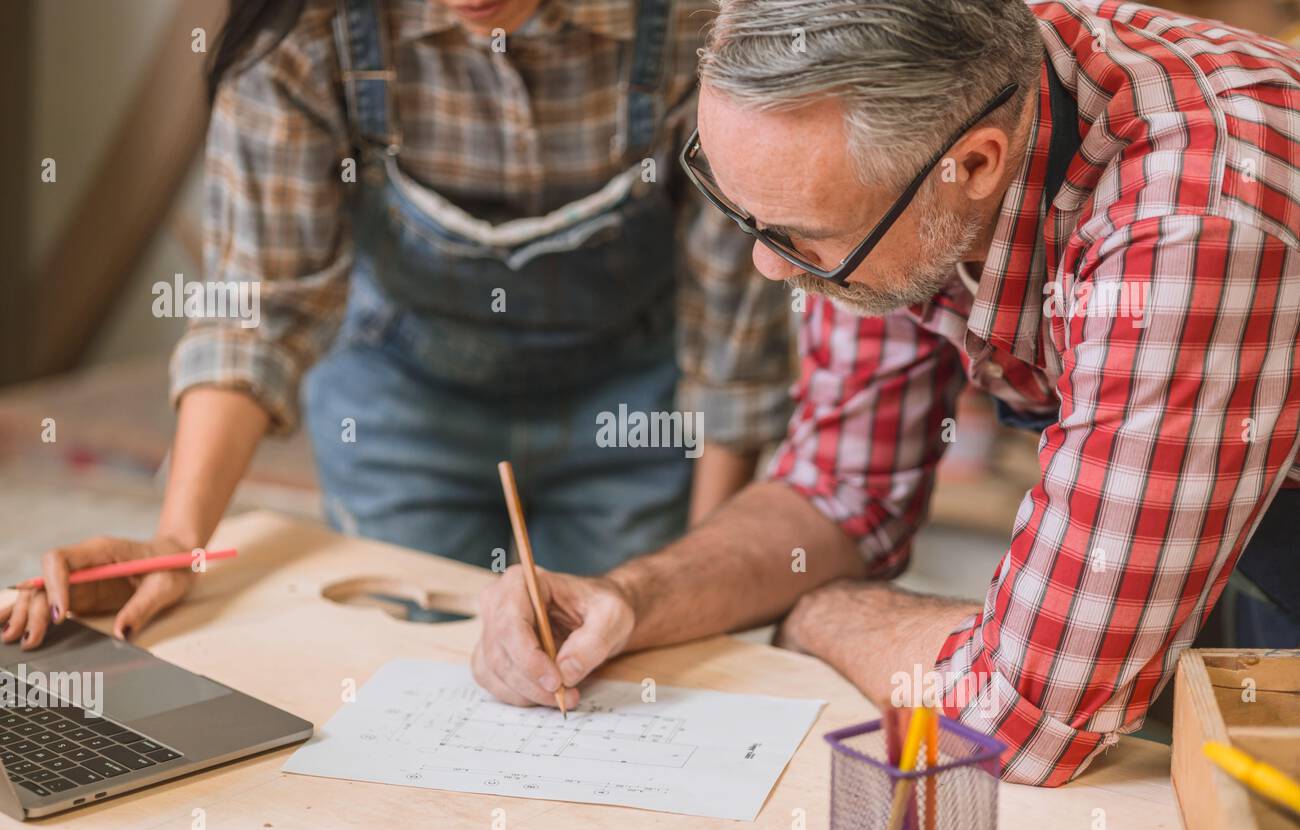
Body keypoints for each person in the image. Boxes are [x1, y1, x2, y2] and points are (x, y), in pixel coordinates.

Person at [473, 0, 1300, 786]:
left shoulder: (1193, 228)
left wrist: (820, 612)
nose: (770, 265)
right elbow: (838, 494)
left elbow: (1018, 716)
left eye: (804, 238)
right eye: (749, 217)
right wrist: (629, 598)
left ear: (973, 164)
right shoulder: (918, 130)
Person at [1, 0, 793, 649]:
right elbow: (254, 311)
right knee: (413, 671)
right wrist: (176, 539)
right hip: (400, 410)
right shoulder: (300, 30)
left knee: (618, 665)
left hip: (633, 417)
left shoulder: (700, 21)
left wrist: (695, 594)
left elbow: (734, 338)